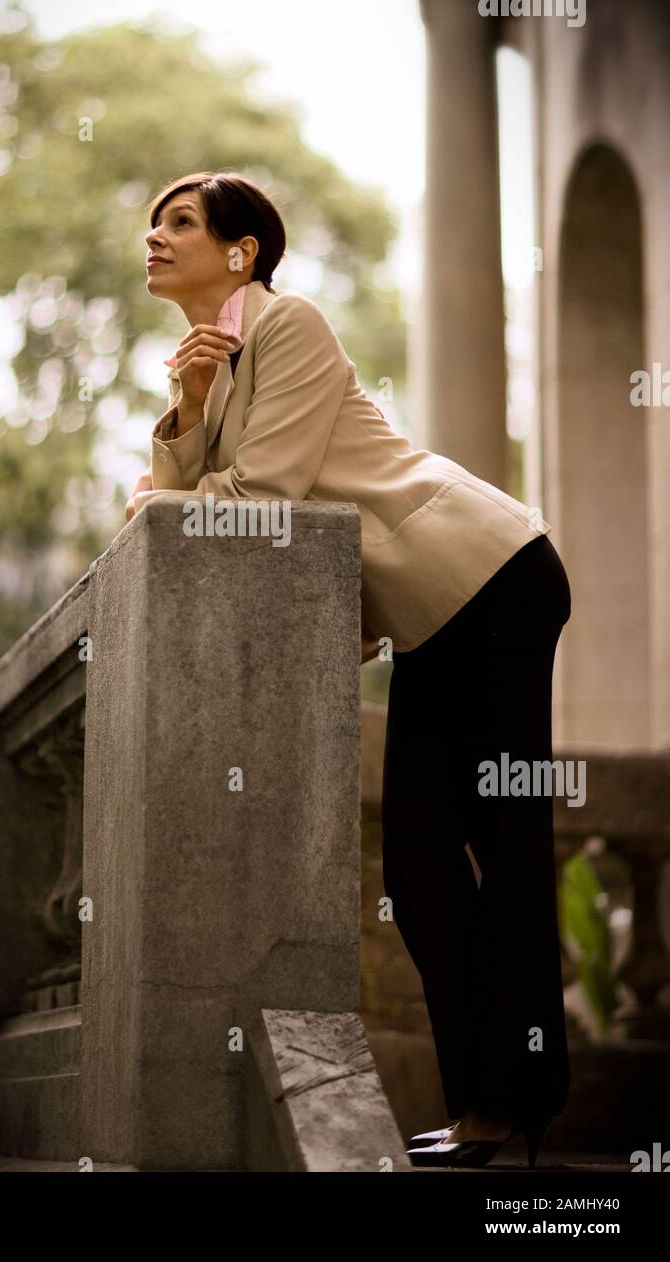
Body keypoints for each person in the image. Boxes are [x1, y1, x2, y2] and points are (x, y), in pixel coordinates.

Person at [127, 170, 572, 1168]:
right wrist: (189, 402)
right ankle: (484, 1107)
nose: (154, 238)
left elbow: (260, 494)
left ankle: (514, 1102)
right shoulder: (212, 360)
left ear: (242, 252)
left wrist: (157, 501)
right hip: (432, 614)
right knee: (416, 861)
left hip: (489, 577)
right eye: (151, 225)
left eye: (180, 223)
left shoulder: (289, 325)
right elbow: (197, 499)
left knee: (501, 846)